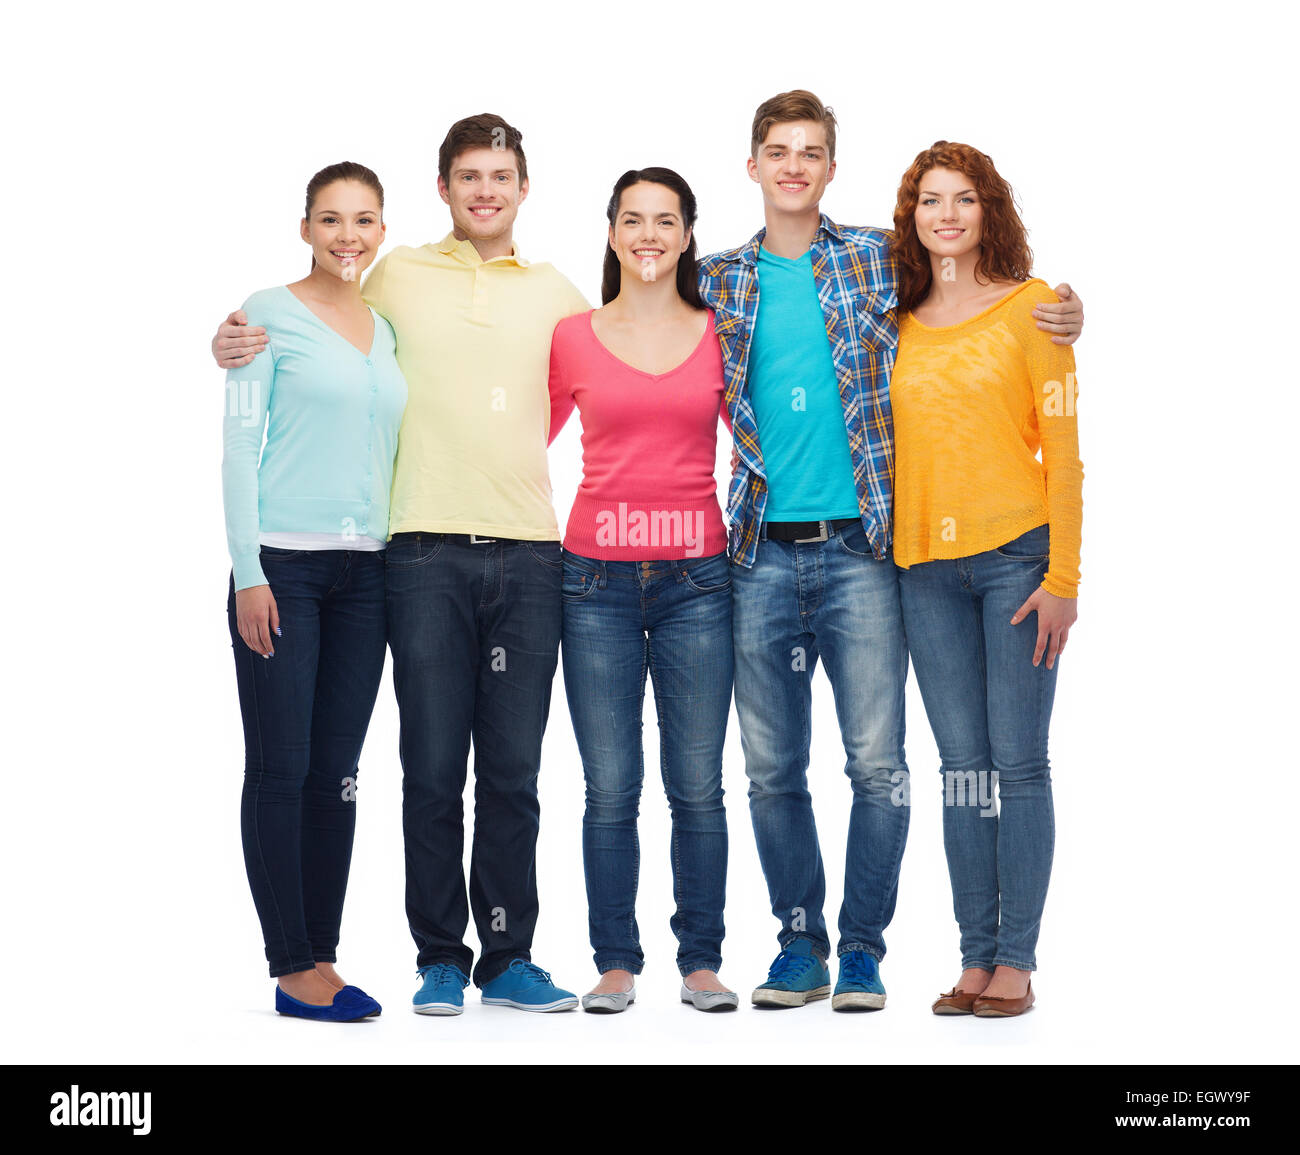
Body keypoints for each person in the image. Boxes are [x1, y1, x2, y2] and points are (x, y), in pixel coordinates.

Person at [698, 91, 1085, 1011]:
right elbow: (635, 295)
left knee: (911, 763)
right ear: (751, 164)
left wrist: (1068, 308)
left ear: (833, 168)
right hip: (802, 555)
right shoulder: (715, 279)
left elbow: (1028, 358)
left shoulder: (880, 263)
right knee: (802, 767)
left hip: (894, 554)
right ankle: (843, 949)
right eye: (778, 150)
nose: (795, 165)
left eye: (813, 151)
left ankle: (932, 955)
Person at [215, 115, 589, 1016]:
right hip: (399, 552)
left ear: (525, 188)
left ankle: (502, 958)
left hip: (496, 553)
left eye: (501, 175)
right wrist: (228, 346)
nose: (486, 190)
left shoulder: (555, 292)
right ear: (444, 189)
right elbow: (272, 386)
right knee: (417, 766)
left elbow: (596, 383)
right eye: (469, 175)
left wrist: (506, 450)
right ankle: (424, 958)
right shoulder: (385, 279)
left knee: (501, 770)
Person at [889, 142, 1082, 1017]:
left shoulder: (1037, 311)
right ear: (914, 217)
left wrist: (1064, 577)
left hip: (1016, 560)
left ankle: (1018, 960)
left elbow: (1067, 456)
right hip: (923, 568)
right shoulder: (895, 320)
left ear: (988, 209)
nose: (947, 215)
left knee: (1020, 762)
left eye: (964, 199)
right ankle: (973, 956)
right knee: (962, 768)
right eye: (931, 201)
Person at [547, 169, 736, 1013]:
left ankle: (700, 959)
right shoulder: (571, 336)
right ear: (614, 231)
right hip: (593, 582)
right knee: (610, 784)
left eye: (666, 220)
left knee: (696, 782)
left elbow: (785, 429)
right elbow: (510, 434)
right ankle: (616, 960)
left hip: (699, 580)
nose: (649, 234)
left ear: (689, 234)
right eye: (634, 219)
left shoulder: (722, 330)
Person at [222, 161, 407, 1021]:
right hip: (284, 568)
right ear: (305, 228)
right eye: (330, 220)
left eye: (363, 221)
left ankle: (322, 956)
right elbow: (237, 446)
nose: (347, 236)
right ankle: (290, 963)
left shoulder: (387, 326)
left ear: (381, 232)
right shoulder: (265, 314)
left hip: (366, 571)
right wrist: (250, 572)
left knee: (337, 771)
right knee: (282, 764)